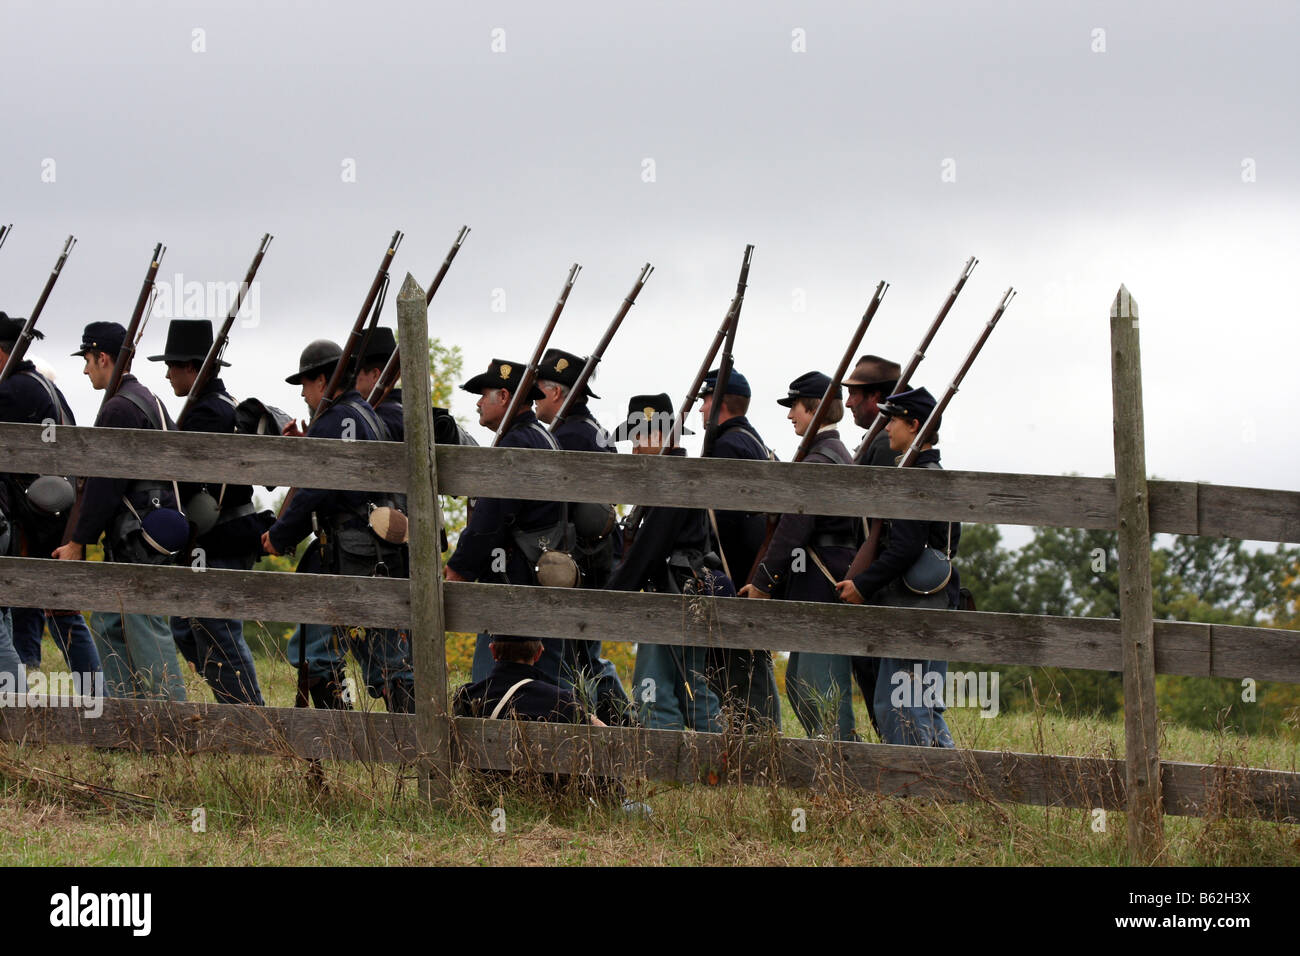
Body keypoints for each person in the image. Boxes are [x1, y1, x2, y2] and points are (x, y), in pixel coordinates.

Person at [262, 339, 414, 713]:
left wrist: (280, 536)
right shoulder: (365, 414)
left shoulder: (336, 419)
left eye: (306, 382)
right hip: (376, 552)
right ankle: (414, 740)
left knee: (316, 652)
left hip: (349, 553)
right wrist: (311, 443)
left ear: (324, 380)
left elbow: (318, 489)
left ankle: (341, 730)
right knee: (388, 658)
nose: (302, 392)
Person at [54, 322, 188, 700]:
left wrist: (79, 540)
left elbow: (104, 485)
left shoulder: (118, 407)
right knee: (110, 623)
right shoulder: (148, 399)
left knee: (143, 624)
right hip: (145, 531)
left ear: (104, 357)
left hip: (137, 536)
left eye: (87, 359)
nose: (85, 369)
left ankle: (174, 722)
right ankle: (124, 720)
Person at [834, 386, 960, 747]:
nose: (886, 427)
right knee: (922, 703)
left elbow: (904, 548)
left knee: (900, 704)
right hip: (926, 601)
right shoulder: (930, 469)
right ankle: (944, 782)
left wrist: (863, 584)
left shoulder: (916, 476)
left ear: (915, 425)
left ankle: (916, 787)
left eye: (894, 420)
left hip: (913, 603)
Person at [148, 319, 265, 705]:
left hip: (222, 537)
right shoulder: (217, 406)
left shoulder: (207, 413)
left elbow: (180, 481)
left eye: (173, 365)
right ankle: (233, 704)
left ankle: (252, 718)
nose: (167, 374)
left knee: (217, 629)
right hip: (222, 534)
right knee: (186, 625)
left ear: (193, 368)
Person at [738, 372, 858, 740]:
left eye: (796, 407)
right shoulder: (829, 455)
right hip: (816, 581)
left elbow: (792, 531)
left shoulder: (820, 462)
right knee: (800, 680)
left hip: (822, 584)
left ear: (815, 409)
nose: (790, 415)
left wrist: (762, 584)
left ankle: (842, 766)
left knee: (820, 685)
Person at [608, 393, 726, 733]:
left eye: (637, 438)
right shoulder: (672, 476)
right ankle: (716, 764)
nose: (634, 449)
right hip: (680, 588)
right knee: (692, 686)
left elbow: (649, 549)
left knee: (655, 688)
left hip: (672, 591)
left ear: (657, 435)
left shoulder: (673, 479)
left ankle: (669, 763)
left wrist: (614, 594)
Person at [446, 358, 569, 685]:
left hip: (512, 578)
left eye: (483, 394)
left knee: (494, 682)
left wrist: (460, 567)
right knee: (549, 684)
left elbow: (491, 517)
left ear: (503, 396)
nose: (477, 402)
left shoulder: (517, 442)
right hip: (539, 574)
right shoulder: (540, 436)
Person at [0, 313, 102, 688]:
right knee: (50, 607)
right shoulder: (40, 384)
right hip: (50, 511)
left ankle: (97, 698)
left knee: (62, 613)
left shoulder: (15, 390)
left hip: (40, 515)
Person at [531, 347, 632, 724]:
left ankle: (615, 724)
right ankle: (620, 723)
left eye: (539, 389)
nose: (534, 398)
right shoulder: (588, 431)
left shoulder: (569, 435)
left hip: (583, 561)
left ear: (556, 393)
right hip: (596, 558)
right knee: (584, 655)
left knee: (581, 655)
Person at [696, 367, 781, 729]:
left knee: (739, 671)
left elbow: (725, 523)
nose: (700, 408)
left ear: (719, 403)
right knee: (746, 665)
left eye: (705, 399)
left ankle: (757, 737)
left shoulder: (729, 445)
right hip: (747, 570)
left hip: (736, 571)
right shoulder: (750, 440)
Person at [841, 354, 901, 731]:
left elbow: (882, 529)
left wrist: (865, 582)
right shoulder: (876, 442)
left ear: (876, 397)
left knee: (882, 684)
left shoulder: (882, 446)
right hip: (874, 581)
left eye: (856, 395)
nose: (848, 403)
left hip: (878, 586)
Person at [453, 635, 602, 725]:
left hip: (483, 777)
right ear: (538, 654)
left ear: (492, 650)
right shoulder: (564, 701)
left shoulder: (466, 696)